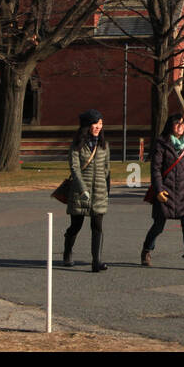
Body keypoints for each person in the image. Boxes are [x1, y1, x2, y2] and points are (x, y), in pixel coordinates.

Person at [141, 112, 184, 270]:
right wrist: (158, 190)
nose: (180, 127)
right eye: (177, 123)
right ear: (170, 125)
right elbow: (155, 169)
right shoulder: (161, 143)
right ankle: (147, 250)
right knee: (159, 225)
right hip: (166, 192)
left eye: (183, 124)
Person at [64, 109, 112, 271]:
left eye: (100, 123)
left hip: (99, 192)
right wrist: (82, 189)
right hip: (80, 192)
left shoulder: (104, 145)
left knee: (97, 226)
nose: (98, 126)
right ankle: (68, 252)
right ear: (86, 125)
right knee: (76, 226)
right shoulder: (77, 145)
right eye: (95, 123)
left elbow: (107, 169)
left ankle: (96, 261)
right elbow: (75, 168)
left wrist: (107, 190)